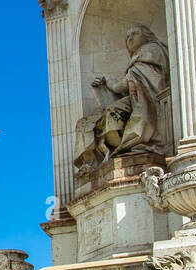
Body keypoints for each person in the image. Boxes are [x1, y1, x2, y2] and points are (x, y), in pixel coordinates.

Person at [73, 25, 171, 171]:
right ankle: (106, 156)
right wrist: (105, 85)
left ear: (146, 36)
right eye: (127, 37)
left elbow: (121, 87)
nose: (129, 39)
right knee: (87, 123)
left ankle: (129, 145)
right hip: (139, 100)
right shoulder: (139, 59)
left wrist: (107, 82)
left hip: (150, 100)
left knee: (110, 114)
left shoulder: (150, 50)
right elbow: (124, 87)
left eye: (134, 34)